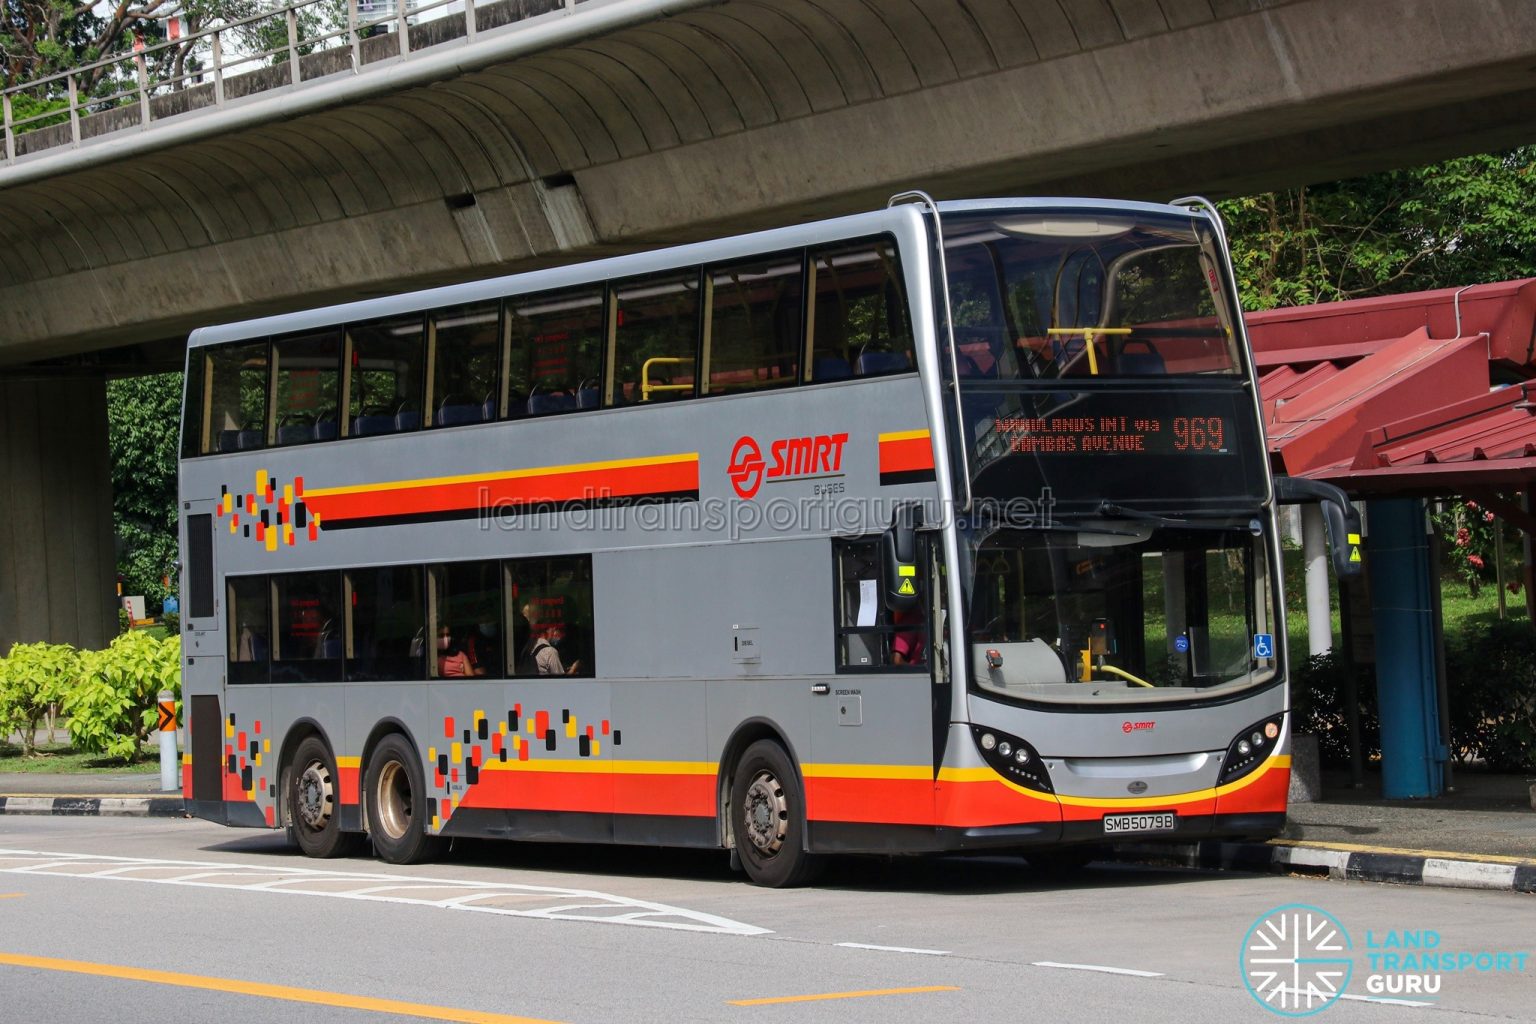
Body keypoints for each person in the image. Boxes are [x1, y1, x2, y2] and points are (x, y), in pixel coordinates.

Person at [517, 602, 567, 676]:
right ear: (547, 629)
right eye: (554, 629)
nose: (556, 633)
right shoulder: (550, 652)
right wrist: (573, 670)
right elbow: (561, 681)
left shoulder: (527, 647)